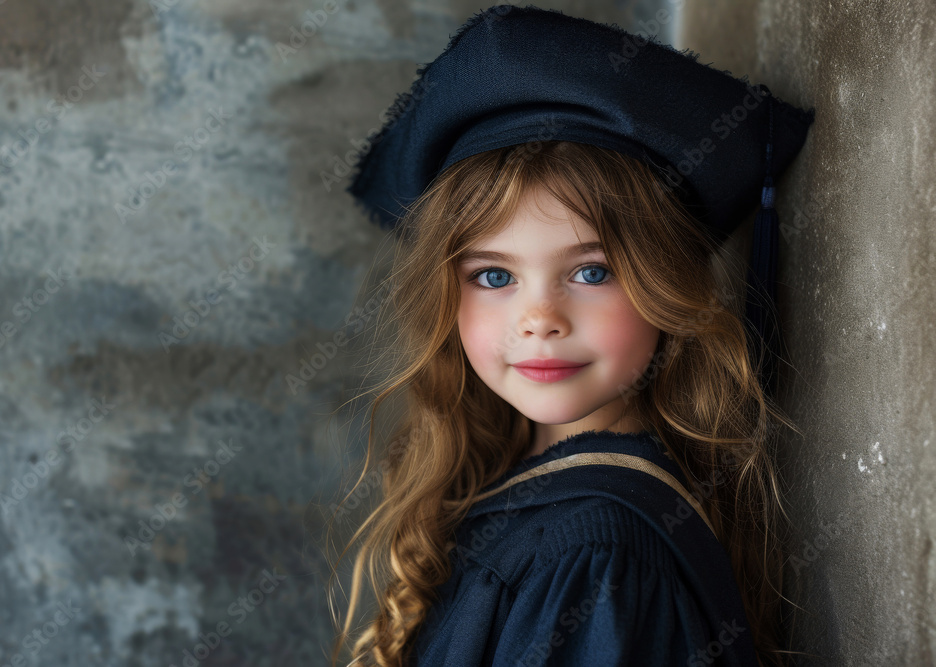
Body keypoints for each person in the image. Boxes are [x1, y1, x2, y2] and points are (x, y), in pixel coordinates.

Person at [325, 5, 815, 666]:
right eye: (494, 275)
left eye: (591, 270)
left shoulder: (598, 554)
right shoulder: (519, 493)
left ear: (667, 285)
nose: (539, 317)